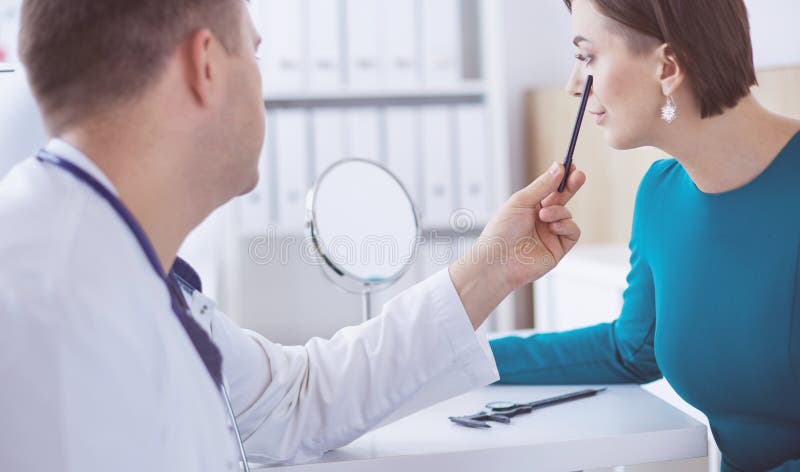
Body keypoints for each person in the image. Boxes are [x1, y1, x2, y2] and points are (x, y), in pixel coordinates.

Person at [0, 1, 587, 471]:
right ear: (205, 67)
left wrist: (490, 268)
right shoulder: (46, 316)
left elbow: (293, 400)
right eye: (254, 54)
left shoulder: (117, 261)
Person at [490, 1, 800, 470]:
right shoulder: (660, 194)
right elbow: (631, 349)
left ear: (667, 67)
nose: (574, 85)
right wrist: (460, 362)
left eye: (587, 57)